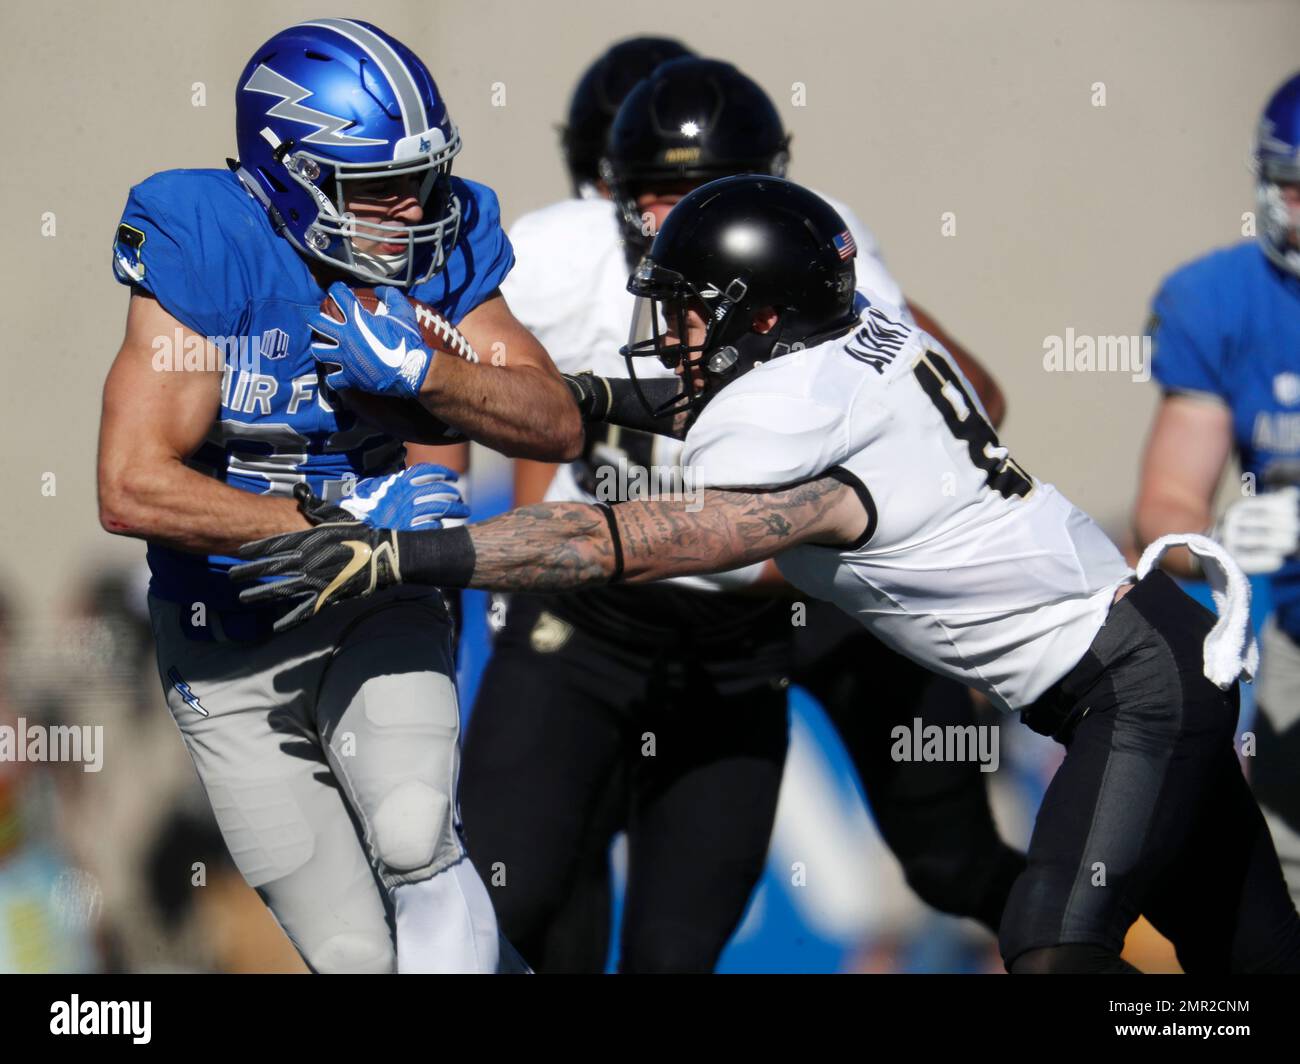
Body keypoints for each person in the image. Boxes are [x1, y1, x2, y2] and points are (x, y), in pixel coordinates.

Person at [234, 175, 1300, 973]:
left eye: (694, 307)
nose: (673, 330)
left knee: (1050, 943)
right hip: (1150, 649)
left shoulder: (796, 424)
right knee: (1252, 963)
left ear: (755, 311)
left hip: (1132, 687)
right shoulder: (857, 340)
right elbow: (649, 388)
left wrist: (406, 552)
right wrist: (456, 383)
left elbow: (612, 541)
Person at [460, 51, 1020, 973]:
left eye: (715, 191)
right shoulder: (563, 255)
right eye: (655, 194)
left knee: (941, 860)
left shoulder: (823, 266)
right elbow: (455, 392)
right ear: (610, 188)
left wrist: (827, 543)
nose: (685, 218)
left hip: (778, 610)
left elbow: (971, 400)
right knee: (512, 896)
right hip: (603, 616)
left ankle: (1098, 956)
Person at [97, 18, 582, 974]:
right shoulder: (207, 239)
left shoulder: (440, 242)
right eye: (377, 186)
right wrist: (338, 519)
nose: (411, 210)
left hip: (378, 598)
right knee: (356, 956)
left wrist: (431, 379)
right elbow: (130, 485)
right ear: (289, 174)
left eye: (424, 179)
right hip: (227, 634)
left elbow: (552, 418)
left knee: (414, 837)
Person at [1135, 70, 1300, 907]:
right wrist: (1219, 544)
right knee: (1281, 880)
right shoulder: (1218, 299)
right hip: (1299, 648)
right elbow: (1166, 511)